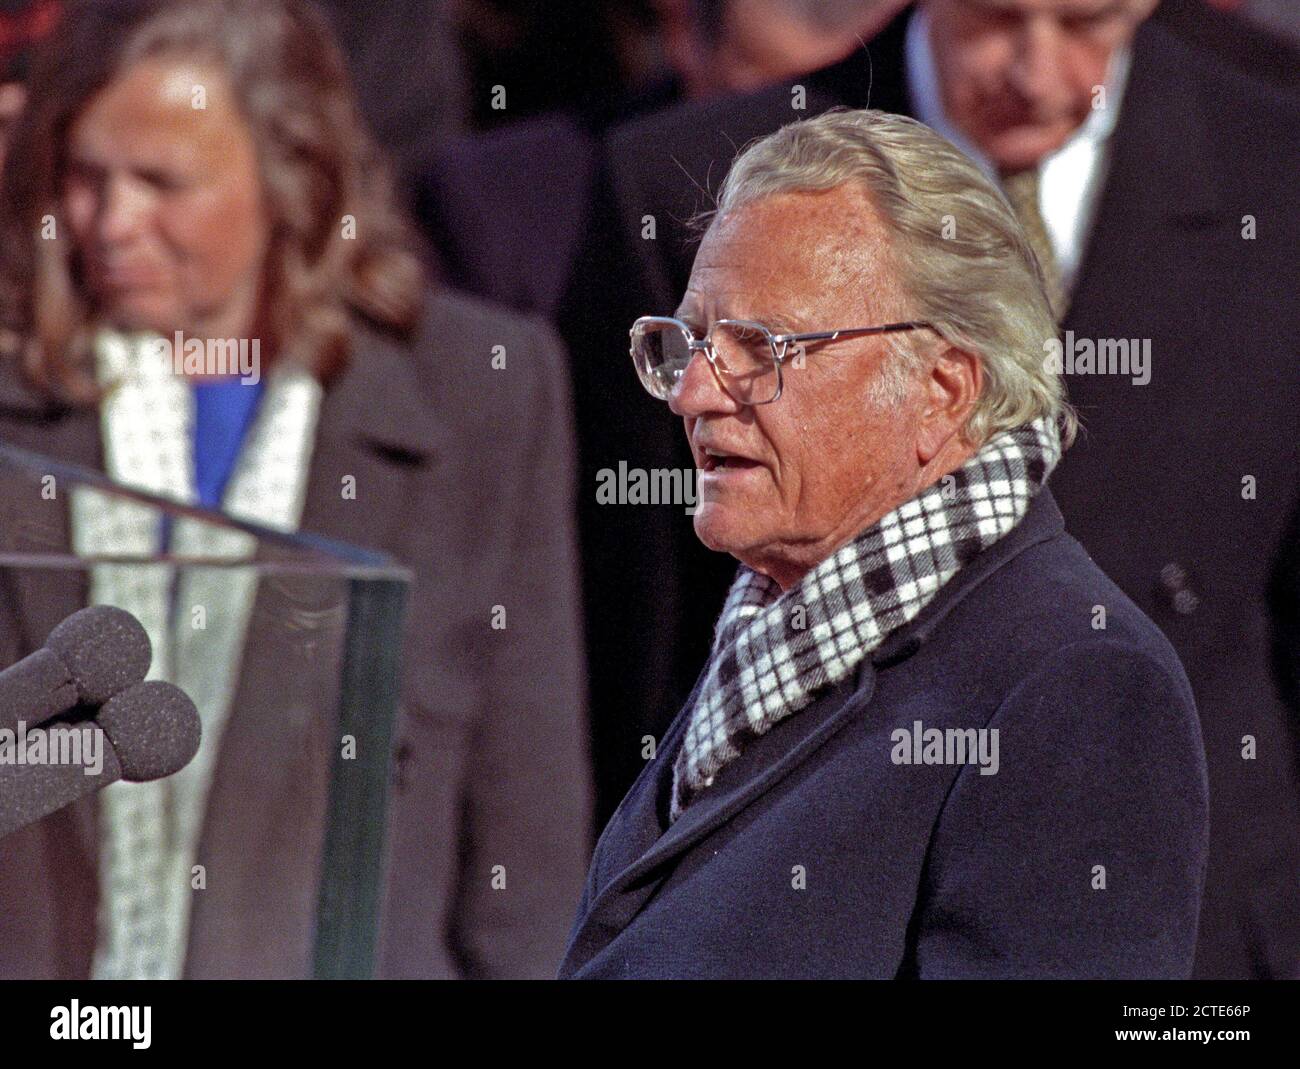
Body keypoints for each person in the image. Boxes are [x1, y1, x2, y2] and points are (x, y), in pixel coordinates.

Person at [591, 0, 1300, 978]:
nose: (700, 394)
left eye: (762, 350)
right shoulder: (767, 624)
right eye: (688, 345)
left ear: (943, 390)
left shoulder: (1077, 686)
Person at [0, 0, 591, 979]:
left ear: (292, 179)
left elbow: (524, 816)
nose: (112, 223)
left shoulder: (476, 387)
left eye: (161, 183)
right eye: (88, 177)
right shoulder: (19, 389)